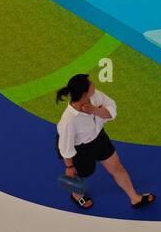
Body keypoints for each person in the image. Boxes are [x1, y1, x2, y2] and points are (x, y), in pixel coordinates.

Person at [56, 73, 155, 211]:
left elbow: (112, 109)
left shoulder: (94, 96)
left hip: (99, 138)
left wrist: (96, 110)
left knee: (117, 168)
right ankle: (77, 195)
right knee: (82, 176)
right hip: (80, 150)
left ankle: (135, 198)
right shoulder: (69, 120)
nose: (93, 84)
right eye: (89, 83)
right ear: (84, 94)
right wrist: (69, 168)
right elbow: (65, 148)